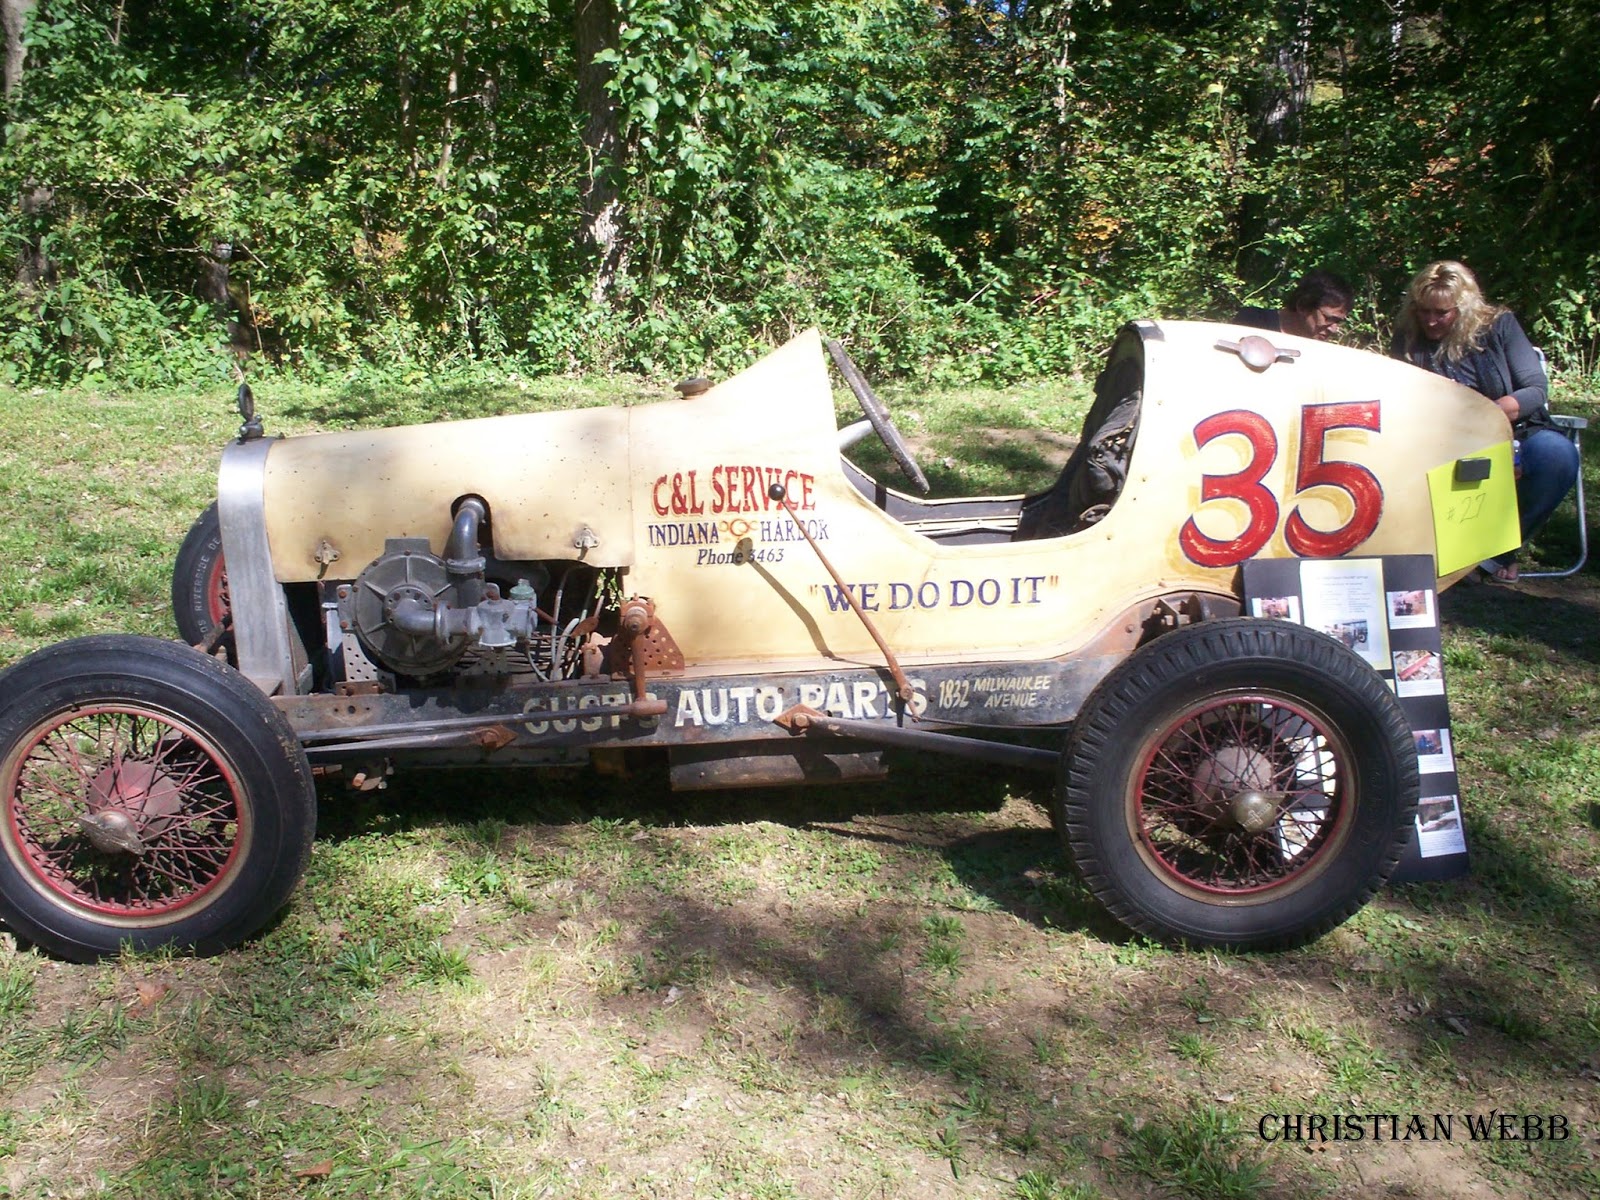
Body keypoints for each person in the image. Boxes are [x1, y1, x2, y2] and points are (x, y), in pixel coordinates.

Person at [1391, 260, 1580, 582]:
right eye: (1424, 311)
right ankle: (1439, 553)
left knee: (1557, 456)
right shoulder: (1408, 338)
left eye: (1442, 313)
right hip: (1441, 436)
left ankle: (1495, 554)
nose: (1432, 321)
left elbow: (1535, 389)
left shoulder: (1500, 326)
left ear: (1462, 309)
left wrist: (1489, 421)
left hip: (1518, 429)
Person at [1232, 269, 1354, 341]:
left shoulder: (1317, 352)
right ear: (1302, 306)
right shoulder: (1254, 321)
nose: (1334, 329)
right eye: (1328, 318)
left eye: (1338, 322)